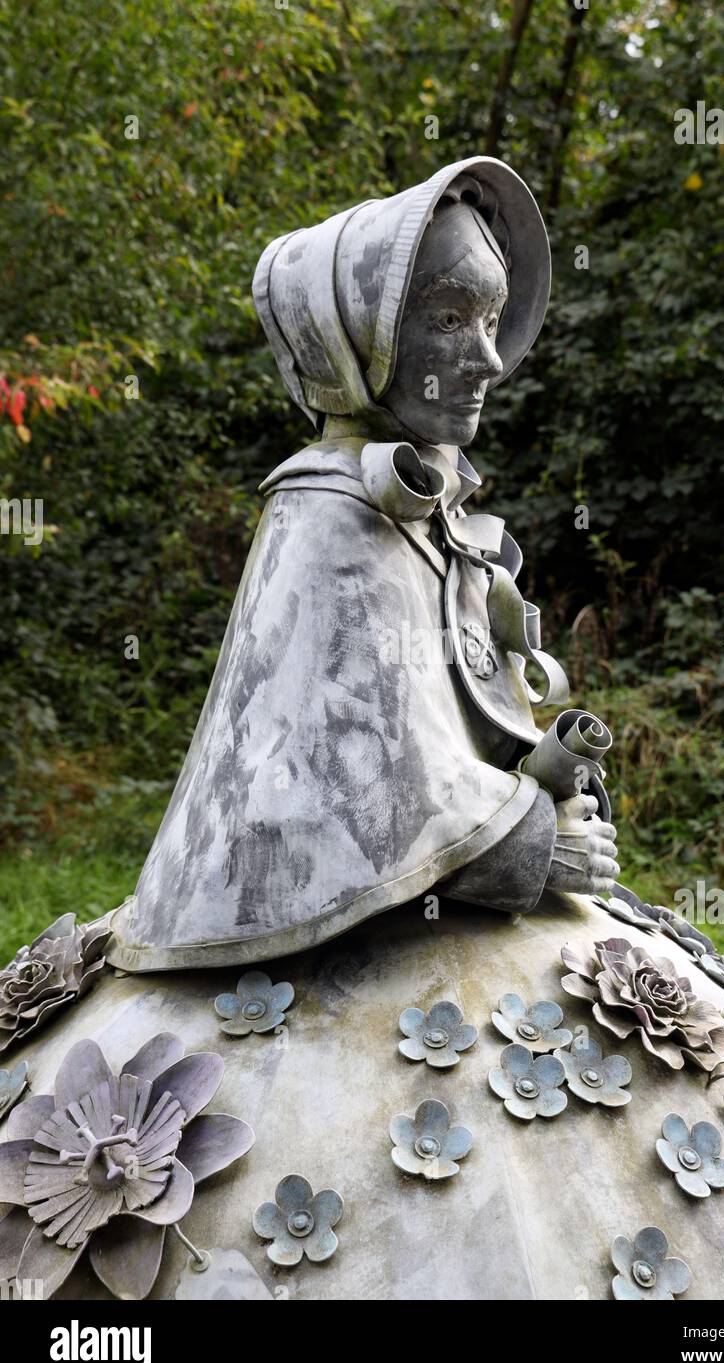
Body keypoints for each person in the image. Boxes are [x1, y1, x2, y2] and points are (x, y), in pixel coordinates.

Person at [107, 157, 618, 973]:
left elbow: (441, 738)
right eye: (451, 320)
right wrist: (534, 838)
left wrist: (549, 790)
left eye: (491, 320)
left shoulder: (424, 502)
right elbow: (346, 784)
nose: (488, 358)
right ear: (356, 343)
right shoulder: (328, 510)